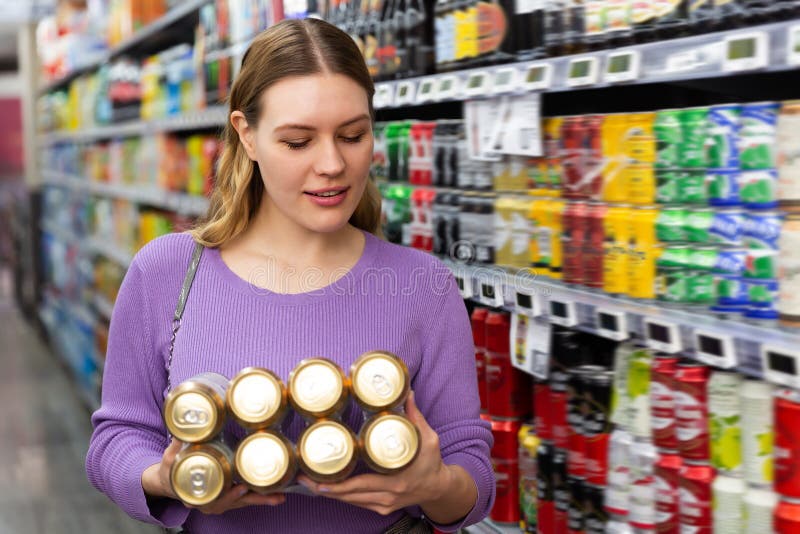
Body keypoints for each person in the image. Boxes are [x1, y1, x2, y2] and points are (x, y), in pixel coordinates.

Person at [86, 17, 494, 534]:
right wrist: (165, 477)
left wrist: (434, 486)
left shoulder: (423, 287)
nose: (332, 164)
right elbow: (113, 440)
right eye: (298, 142)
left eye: (353, 135)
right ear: (247, 136)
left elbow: (473, 475)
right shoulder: (166, 272)